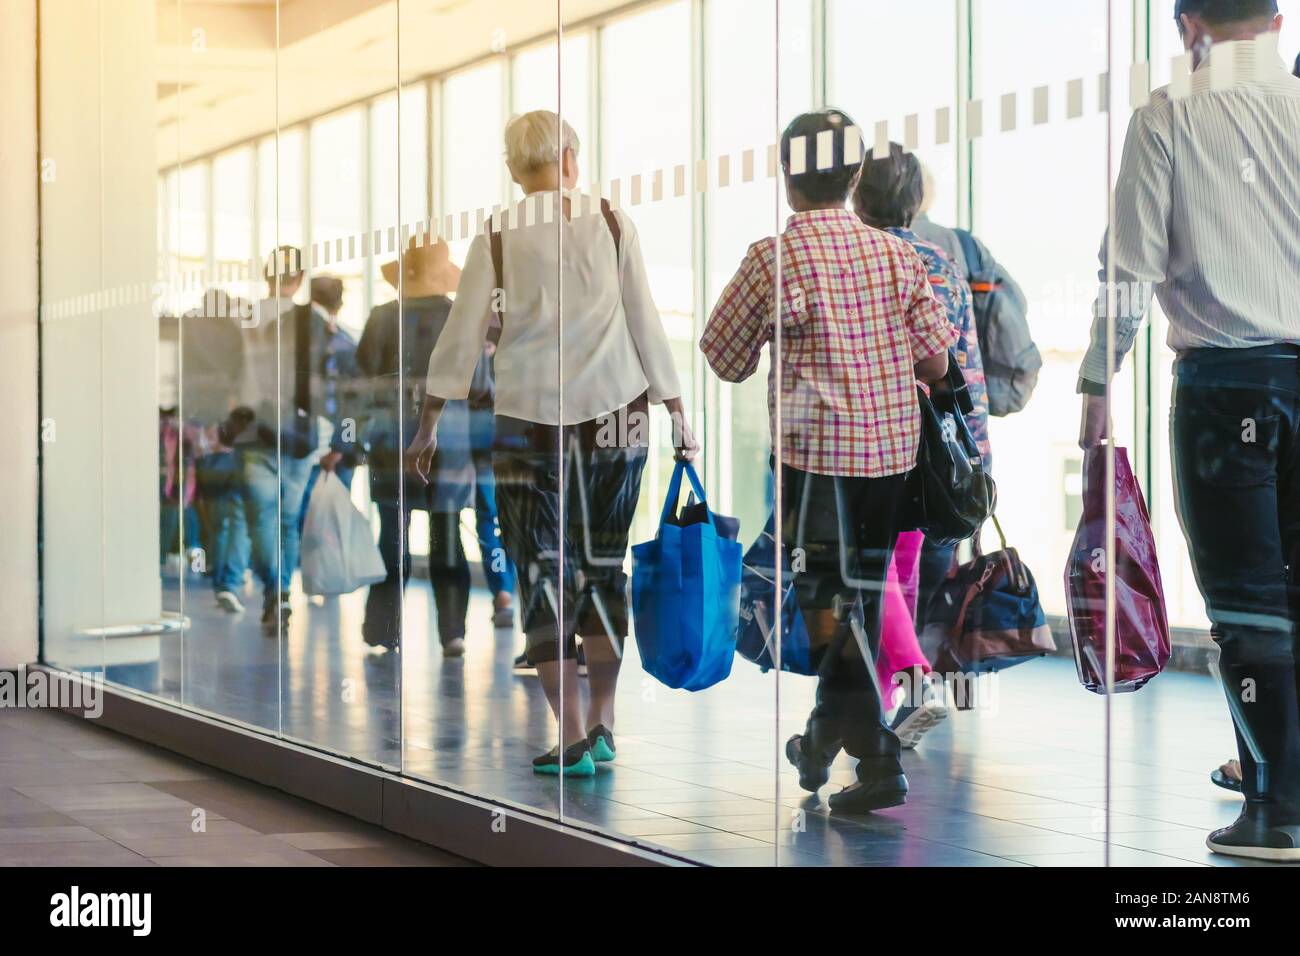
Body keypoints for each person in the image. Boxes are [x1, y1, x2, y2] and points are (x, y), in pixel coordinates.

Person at [407, 110, 697, 777]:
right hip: (617, 418)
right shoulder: (615, 221)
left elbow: (461, 335)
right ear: (570, 157)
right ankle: (604, 721)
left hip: (528, 422)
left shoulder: (498, 233)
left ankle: (568, 733)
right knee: (601, 568)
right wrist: (678, 409)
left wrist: (428, 422)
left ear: (514, 169)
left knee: (542, 573)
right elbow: (645, 318)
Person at [1077, 0, 1300, 861]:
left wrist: (1100, 376)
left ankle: (1275, 812)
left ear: (1188, 26)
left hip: (1225, 386)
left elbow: (1132, 263)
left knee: (1249, 609)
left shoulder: (1169, 114)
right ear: (1278, 20)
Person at [701, 109, 956, 813]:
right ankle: (822, 741)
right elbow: (936, 362)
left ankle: (876, 757)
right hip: (889, 467)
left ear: (788, 176)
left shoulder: (769, 258)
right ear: (853, 177)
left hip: (813, 468)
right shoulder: (899, 256)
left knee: (826, 604)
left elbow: (722, 359)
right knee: (862, 602)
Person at [852, 142, 993, 750]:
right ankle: (888, 718)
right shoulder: (942, 260)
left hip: (880, 441)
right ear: (916, 200)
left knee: (872, 571)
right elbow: (965, 362)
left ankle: (913, 683)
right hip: (945, 451)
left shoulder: (861, 259)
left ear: (857, 196)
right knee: (902, 577)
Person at [217, 247, 361, 633]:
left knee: (262, 516)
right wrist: (339, 439)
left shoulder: (244, 316)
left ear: (267, 276)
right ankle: (281, 590)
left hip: (251, 426)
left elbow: (228, 374)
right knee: (288, 518)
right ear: (298, 280)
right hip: (300, 431)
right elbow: (330, 380)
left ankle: (273, 592)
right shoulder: (311, 321)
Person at [356, 237, 477, 656]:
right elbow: (479, 384)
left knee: (392, 535)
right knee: (446, 534)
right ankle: (453, 633)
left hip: (392, 437)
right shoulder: (460, 318)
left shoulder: (383, 318)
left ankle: (384, 630)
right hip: (452, 439)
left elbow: (361, 384)